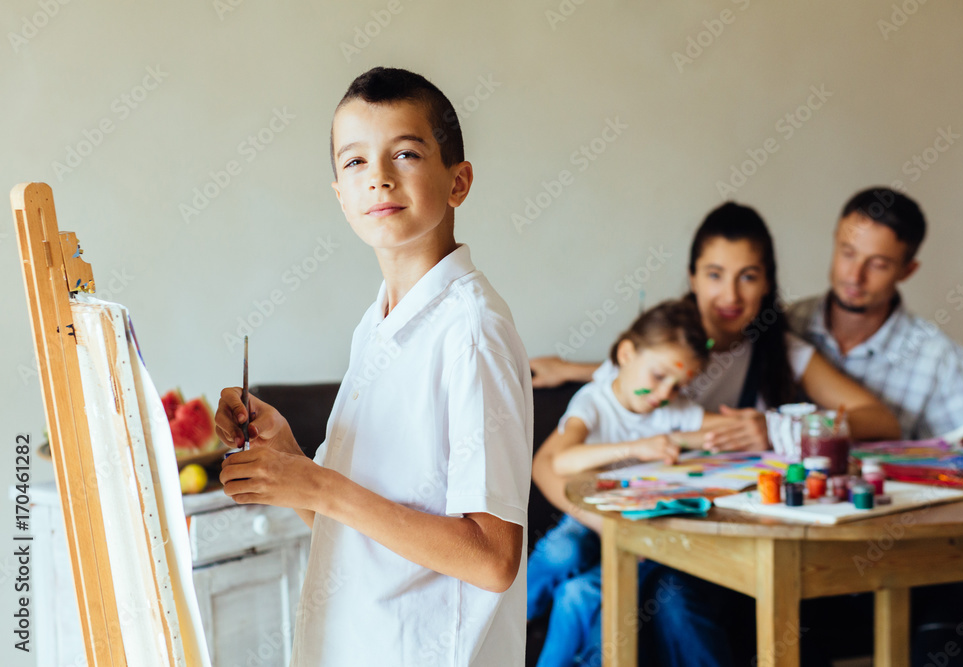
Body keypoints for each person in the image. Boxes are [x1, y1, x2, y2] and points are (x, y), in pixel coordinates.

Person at [214, 67, 533, 666]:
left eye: (406, 153)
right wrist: (290, 459)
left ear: (458, 181)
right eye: (356, 161)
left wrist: (320, 485)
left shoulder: (471, 332)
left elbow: (493, 559)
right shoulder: (378, 323)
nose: (379, 177)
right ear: (340, 194)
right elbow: (354, 530)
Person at [532, 202, 901, 666]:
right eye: (714, 274)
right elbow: (566, 447)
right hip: (643, 531)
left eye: (748, 276)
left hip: (732, 542)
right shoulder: (662, 350)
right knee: (599, 591)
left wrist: (774, 428)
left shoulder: (780, 352)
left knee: (669, 597)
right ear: (692, 277)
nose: (730, 294)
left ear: (767, 283)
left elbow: (880, 420)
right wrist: (617, 531)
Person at [529, 299, 755, 666]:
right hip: (589, 515)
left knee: (582, 594)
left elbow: (724, 428)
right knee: (565, 551)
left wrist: (735, 427)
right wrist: (637, 447)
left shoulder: (671, 408)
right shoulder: (595, 402)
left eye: (680, 385)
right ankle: (505, 616)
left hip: (637, 523)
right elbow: (561, 460)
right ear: (626, 354)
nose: (665, 394)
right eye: (660, 376)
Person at [787, 187, 963, 439]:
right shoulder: (785, 325)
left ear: (907, 271)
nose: (855, 276)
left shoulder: (940, 360)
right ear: (835, 240)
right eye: (848, 253)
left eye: (878, 264)